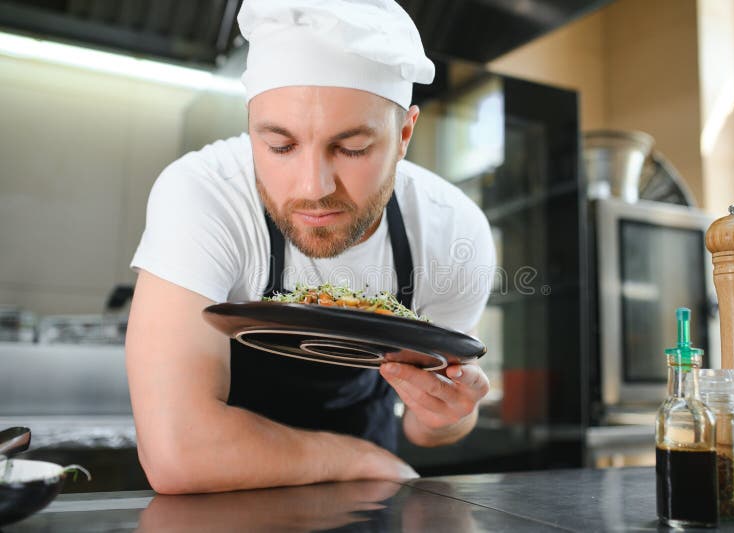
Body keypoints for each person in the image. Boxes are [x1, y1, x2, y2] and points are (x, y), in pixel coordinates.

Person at [126, 0, 495, 494]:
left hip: (366, 504)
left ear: (404, 134)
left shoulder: (452, 232)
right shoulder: (204, 194)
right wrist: (361, 460)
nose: (313, 187)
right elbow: (180, 453)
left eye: (352, 148)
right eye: (280, 146)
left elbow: (433, 429)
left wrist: (445, 413)